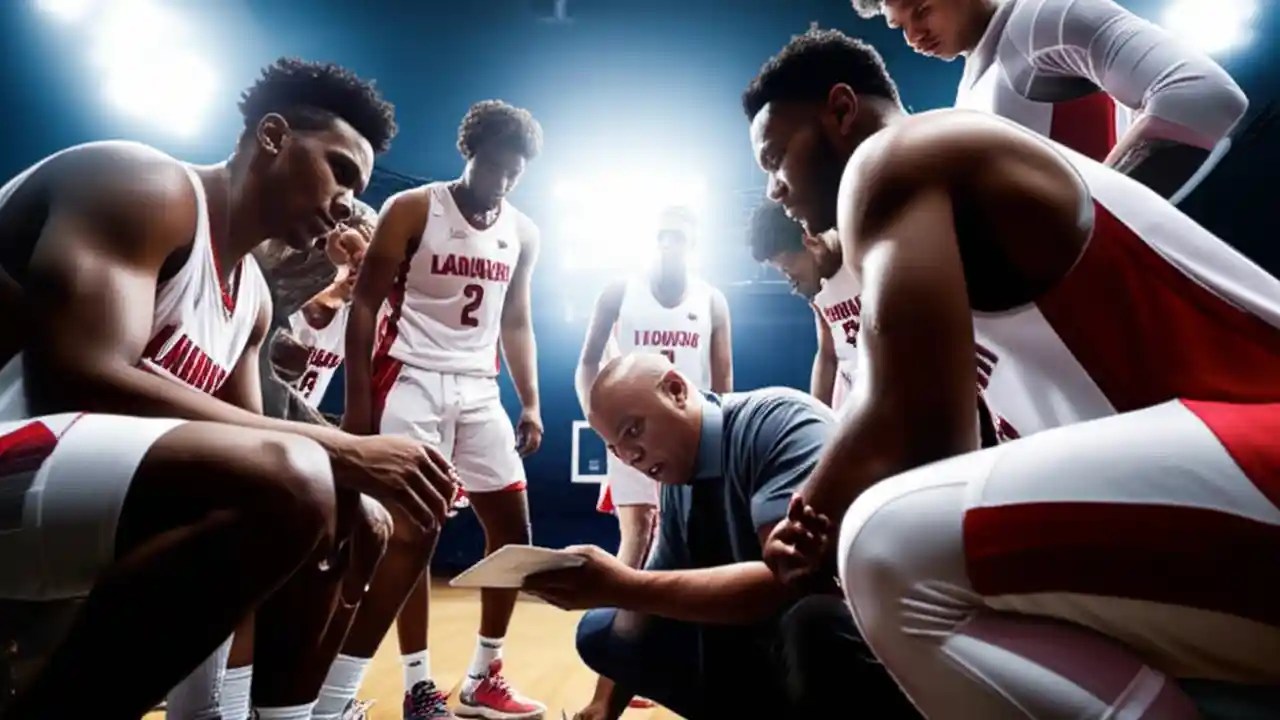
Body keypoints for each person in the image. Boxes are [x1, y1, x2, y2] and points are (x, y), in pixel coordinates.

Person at [743, 28, 1280, 718]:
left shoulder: (896, 156)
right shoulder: (955, 211)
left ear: (841, 110)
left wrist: (804, 518)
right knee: (982, 595)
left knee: (886, 542)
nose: (774, 188)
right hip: (1226, 507)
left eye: (775, 156)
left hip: (1255, 450)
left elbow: (911, 431)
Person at [0, 57, 456, 720]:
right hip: (19, 460)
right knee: (299, 477)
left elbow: (245, 449)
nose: (345, 204)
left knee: (341, 507)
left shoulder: (251, 302)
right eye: (339, 171)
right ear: (273, 136)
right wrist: (342, 450)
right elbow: (78, 375)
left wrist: (344, 481)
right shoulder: (145, 186)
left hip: (47, 495)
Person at [525, 353, 917, 719]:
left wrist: (619, 585)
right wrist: (605, 705)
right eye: (616, 449)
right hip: (768, 646)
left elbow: (786, 583)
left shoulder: (781, 422)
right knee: (602, 633)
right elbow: (652, 596)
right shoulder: (676, 480)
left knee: (811, 622)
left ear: (676, 390)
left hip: (874, 636)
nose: (631, 457)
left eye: (633, 430)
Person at [338, 99, 546, 720]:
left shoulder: (524, 231)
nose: (501, 182)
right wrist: (357, 408)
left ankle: (484, 676)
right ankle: (417, 685)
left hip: (479, 387)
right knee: (415, 534)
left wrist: (531, 401)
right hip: (411, 378)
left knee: (513, 531)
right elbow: (364, 304)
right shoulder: (412, 208)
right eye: (493, 167)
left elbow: (515, 319)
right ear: (469, 152)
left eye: (514, 173)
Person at [571, 205, 733, 715]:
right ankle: (607, 688)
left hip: (688, 438)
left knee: (692, 546)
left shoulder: (712, 299)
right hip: (633, 433)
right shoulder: (620, 290)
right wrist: (600, 421)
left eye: (678, 237)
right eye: (662, 235)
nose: (669, 244)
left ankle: (660, 662)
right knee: (637, 538)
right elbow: (587, 362)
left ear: (693, 243)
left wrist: (721, 443)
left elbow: (723, 383)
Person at [853, 0, 1248, 203]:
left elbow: (1202, 95)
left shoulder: (1045, 16)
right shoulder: (969, 93)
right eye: (900, 26)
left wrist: (1088, 232)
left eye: (922, 10)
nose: (914, 36)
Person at [257, 201, 375, 426]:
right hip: (257, 423)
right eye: (349, 252)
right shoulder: (272, 300)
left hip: (297, 427)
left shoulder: (355, 318)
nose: (358, 266)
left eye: (366, 259)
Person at [746, 201, 857, 413]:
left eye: (788, 268)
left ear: (810, 242)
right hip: (851, 408)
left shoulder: (860, 261)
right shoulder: (819, 290)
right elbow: (827, 355)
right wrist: (819, 418)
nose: (789, 279)